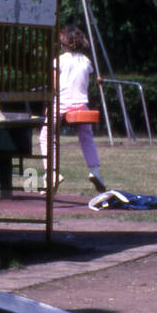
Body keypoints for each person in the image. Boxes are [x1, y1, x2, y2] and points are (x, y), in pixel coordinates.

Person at [39, 26, 107, 192]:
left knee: (46, 135)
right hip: (81, 104)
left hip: (61, 103)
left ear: (63, 44)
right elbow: (86, 82)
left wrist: (50, 104)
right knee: (87, 137)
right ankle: (95, 171)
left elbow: (55, 86)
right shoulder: (86, 61)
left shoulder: (59, 61)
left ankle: (52, 172)